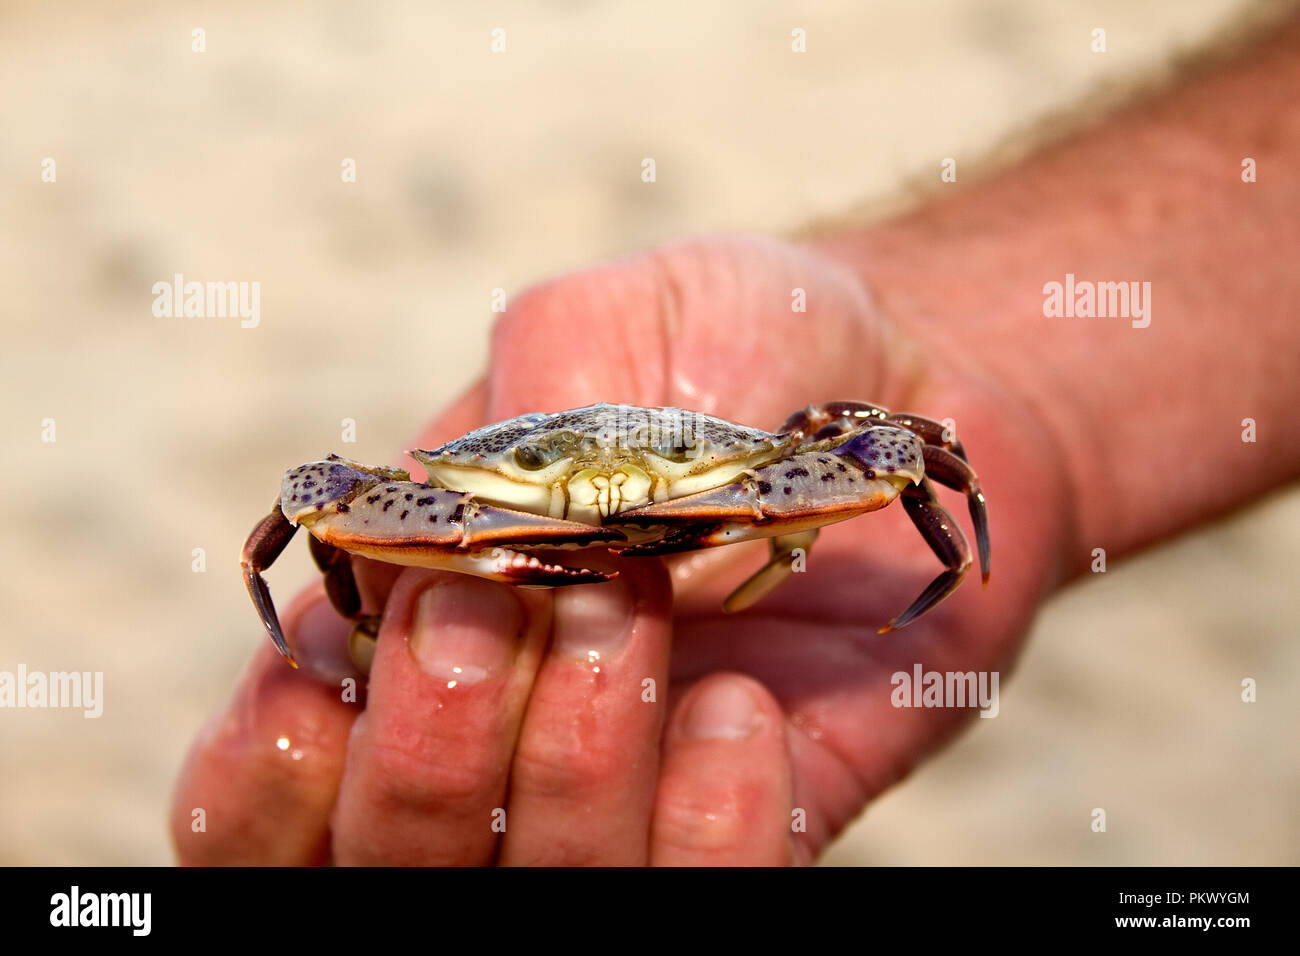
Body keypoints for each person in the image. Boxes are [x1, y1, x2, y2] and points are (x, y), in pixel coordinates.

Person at [171, 17, 1300, 865]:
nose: (614, 486)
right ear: (498, 467)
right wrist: (383, 596)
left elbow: (910, 447)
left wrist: (958, 476)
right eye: (549, 470)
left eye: (648, 468)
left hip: (721, 469)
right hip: (504, 518)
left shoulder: (792, 453)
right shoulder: (446, 493)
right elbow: (310, 501)